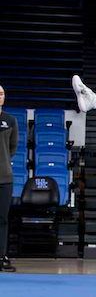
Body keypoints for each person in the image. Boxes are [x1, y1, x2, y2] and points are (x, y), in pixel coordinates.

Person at [0, 84, 17, 272]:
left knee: (2, 219)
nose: (0, 96)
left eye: (2, 93)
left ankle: (1, 256)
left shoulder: (10, 121)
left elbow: (12, 148)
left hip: (5, 178)